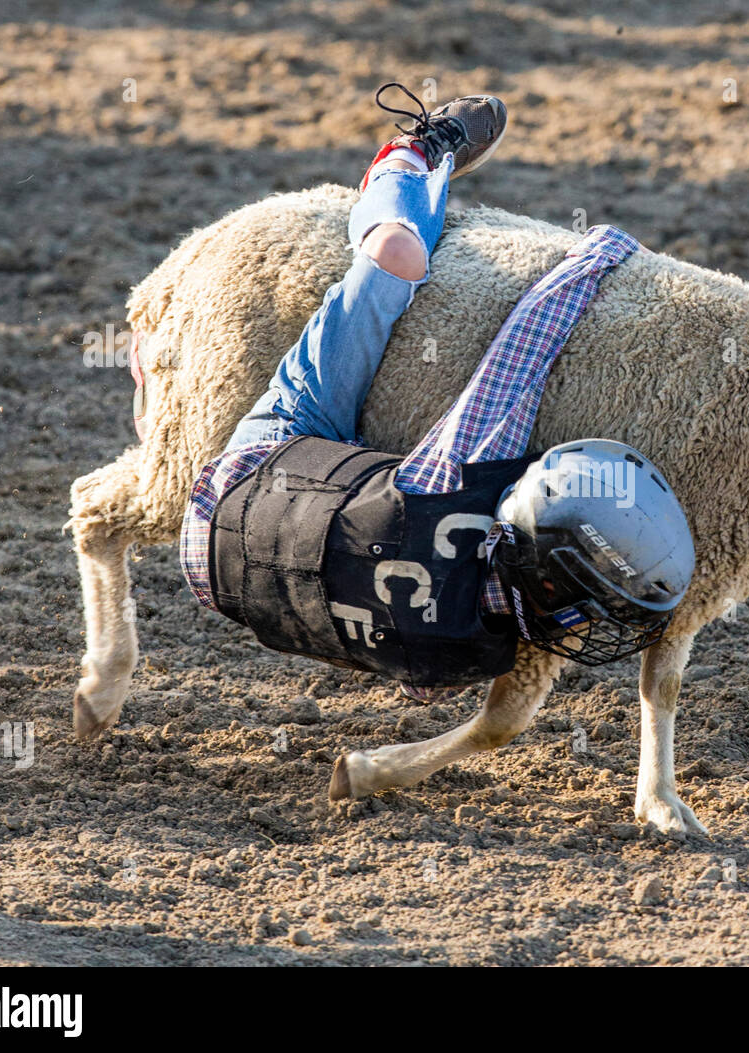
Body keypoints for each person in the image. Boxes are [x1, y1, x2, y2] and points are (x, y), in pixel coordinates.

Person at [179, 84, 694, 700]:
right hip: (221, 577)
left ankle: (410, 159)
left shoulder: (449, 487)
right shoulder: (468, 659)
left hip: (238, 484)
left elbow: (519, 356)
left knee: (394, 259)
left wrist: (607, 250)